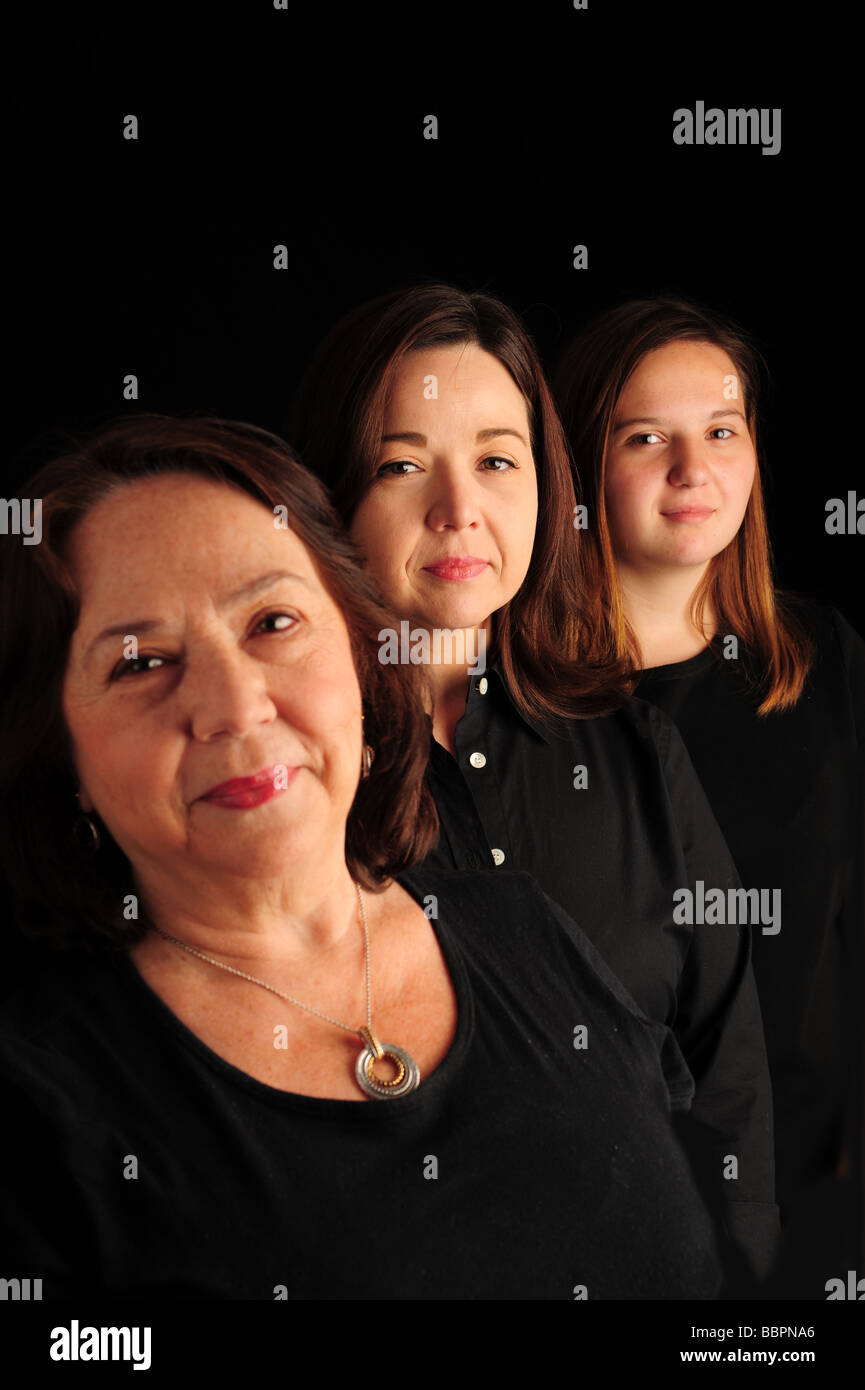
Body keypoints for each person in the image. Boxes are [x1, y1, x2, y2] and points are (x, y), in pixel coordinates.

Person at [0, 414, 722, 1300]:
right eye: (141, 662)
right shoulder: (38, 1104)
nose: (234, 707)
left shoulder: (523, 924)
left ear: (358, 656)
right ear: (59, 752)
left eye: (272, 621)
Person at [290, 283, 778, 1283]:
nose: (459, 508)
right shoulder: (293, 782)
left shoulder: (638, 748)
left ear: (549, 489)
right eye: (401, 464)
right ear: (332, 494)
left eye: (496, 461)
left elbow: (729, 1084)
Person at [553, 296, 865, 1230]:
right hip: (611, 1200)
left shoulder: (824, 658)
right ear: (578, 463)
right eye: (646, 438)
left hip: (817, 1177)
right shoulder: (524, 709)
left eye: (721, 430)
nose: (693, 470)